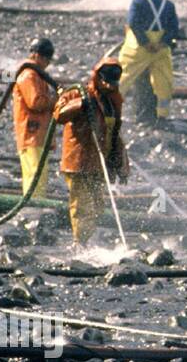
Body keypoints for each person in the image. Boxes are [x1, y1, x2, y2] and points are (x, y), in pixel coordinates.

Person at [52, 59, 129, 245]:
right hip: (78, 161)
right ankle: (80, 244)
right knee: (82, 205)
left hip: (99, 163)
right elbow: (58, 115)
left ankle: (87, 240)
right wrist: (79, 105)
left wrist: (121, 164)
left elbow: (115, 134)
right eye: (106, 81)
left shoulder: (112, 101)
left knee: (98, 206)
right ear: (98, 78)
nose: (109, 86)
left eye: (113, 83)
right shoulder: (78, 93)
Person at [119, 0, 178, 124]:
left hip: (137, 50)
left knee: (123, 78)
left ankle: (107, 109)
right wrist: (162, 43)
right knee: (164, 82)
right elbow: (173, 29)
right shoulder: (169, 5)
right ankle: (162, 115)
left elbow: (133, 23)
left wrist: (145, 43)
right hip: (160, 50)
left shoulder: (138, 1)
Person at [13, 37, 58, 197]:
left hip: (38, 134)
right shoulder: (28, 75)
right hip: (31, 133)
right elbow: (35, 102)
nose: (48, 63)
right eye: (47, 59)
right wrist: (55, 100)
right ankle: (33, 206)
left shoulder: (36, 75)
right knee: (35, 174)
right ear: (37, 55)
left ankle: (36, 203)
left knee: (40, 173)